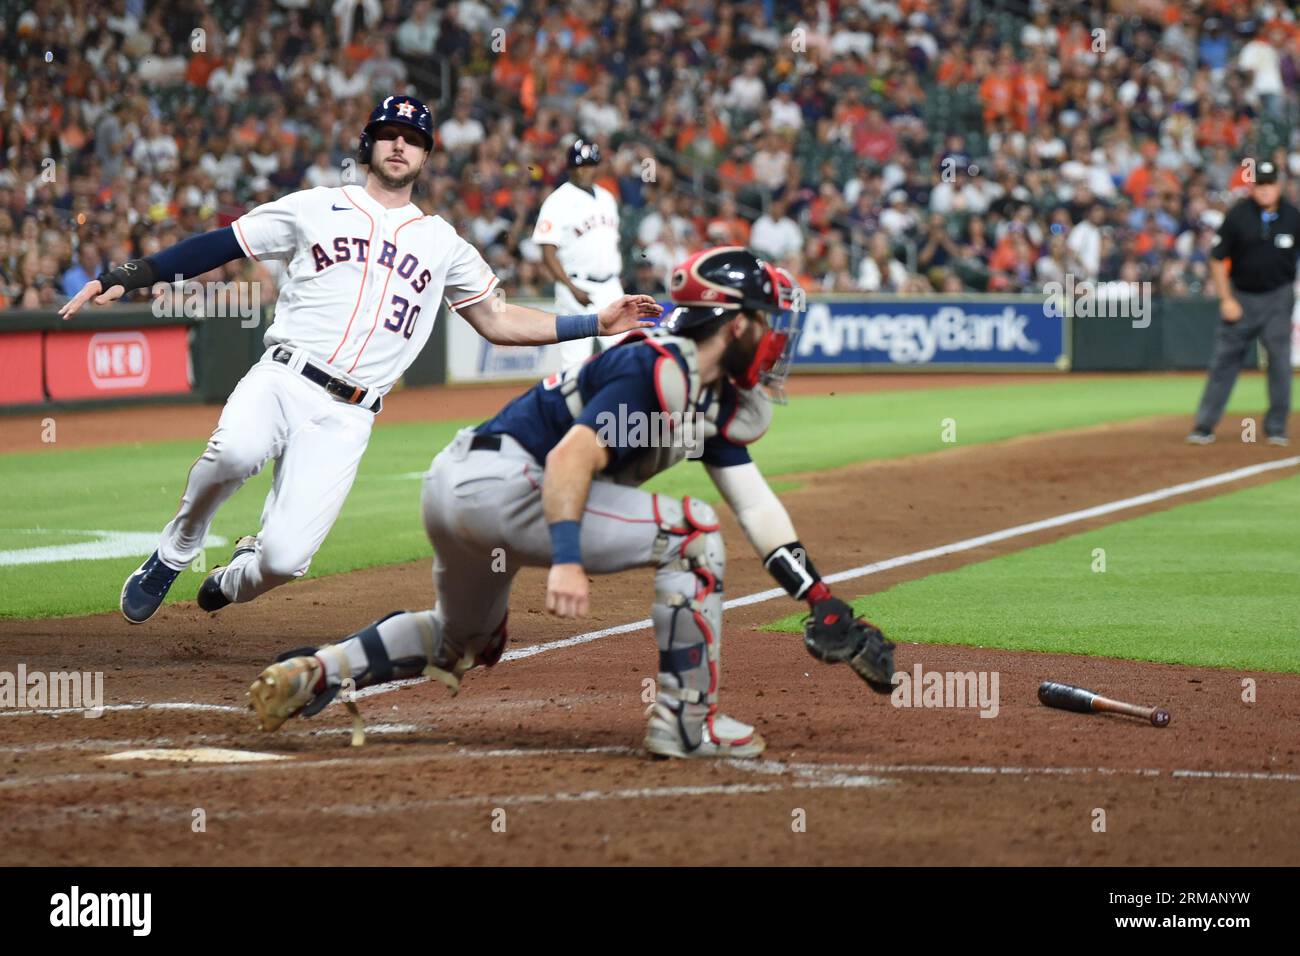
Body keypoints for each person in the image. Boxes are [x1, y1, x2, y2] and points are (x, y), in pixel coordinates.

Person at [247, 247, 896, 758]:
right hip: (514, 485)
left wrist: (821, 602)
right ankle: (685, 722)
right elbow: (570, 458)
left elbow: (757, 511)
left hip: (459, 486)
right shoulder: (657, 371)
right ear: (732, 322)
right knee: (693, 533)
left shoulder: (703, 392)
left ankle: (322, 669)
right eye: (764, 319)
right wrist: (563, 558)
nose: (777, 335)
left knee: (464, 640)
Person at [58, 94, 659, 625]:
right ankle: (176, 549)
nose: (401, 145)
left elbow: (499, 320)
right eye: (391, 135)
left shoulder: (444, 243)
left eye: (415, 140)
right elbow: (225, 243)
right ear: (369, 144)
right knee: (234, 452)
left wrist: (594, 321)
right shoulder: (317, 205)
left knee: (285, 561)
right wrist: (133, 274)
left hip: (350, 414)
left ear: (426, 158)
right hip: (285, 374)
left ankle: (230, 578)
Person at [1187, 160, 1297, 446]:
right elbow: (1216, 257)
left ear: (1279, 185)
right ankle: (1204, 425)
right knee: (1224, 363)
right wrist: (1226, 299)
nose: (1265, 189)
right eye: (1260, 184)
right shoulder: (1238, 215)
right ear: (1253, 187)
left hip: (1278, 298)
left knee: (1280, 364)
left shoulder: (1293, 216)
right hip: (1241, 297)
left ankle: (1276, 428)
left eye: (1270, 183)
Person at [533, 138, 627, 366]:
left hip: (611, 286)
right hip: (575, 284)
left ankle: (618, 402)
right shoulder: (557, 201)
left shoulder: (606, 198)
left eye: (591, 165)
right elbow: (547, 252)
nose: (586, 170)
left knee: (622, 354)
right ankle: (573, 402)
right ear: (571, 168)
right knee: (575, 361)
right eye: (581, 165)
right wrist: (571, 287)